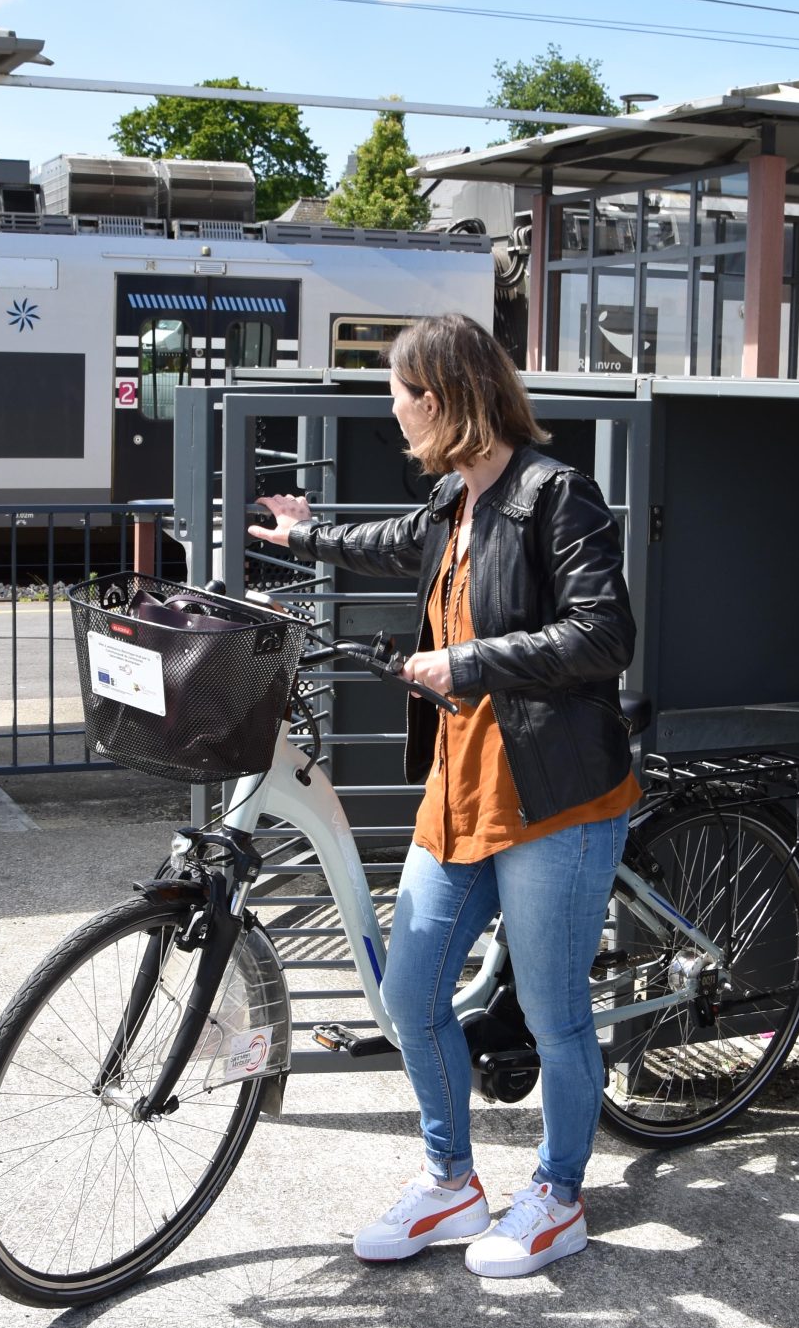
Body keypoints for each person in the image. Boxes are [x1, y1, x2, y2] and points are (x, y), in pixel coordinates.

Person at [249, 316, 636, 1279]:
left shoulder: (556, 495)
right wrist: (307, 533)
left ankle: (556, 1193)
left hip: (555, 798)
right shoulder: (454, 504)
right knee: (408, 992)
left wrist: (466, 660)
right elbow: (389, 541)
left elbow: (603, 635)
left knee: (554, 1013)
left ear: (447, 396)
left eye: (401, 393)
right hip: (459, 790)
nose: (393, 409)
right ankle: (453, 1180)